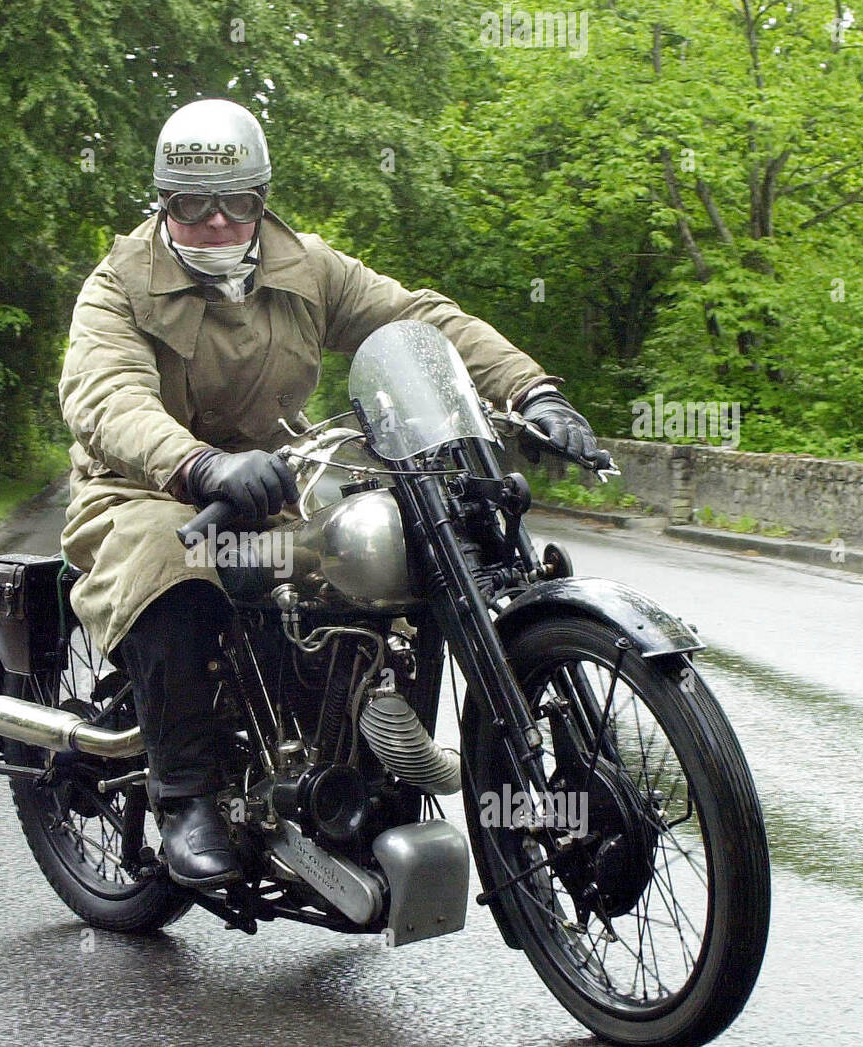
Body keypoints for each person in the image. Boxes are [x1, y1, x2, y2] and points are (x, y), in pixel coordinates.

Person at [58, 99, 608, 890]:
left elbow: (419, 318)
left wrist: (532, 390)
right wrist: (199, 465)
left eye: (236, 202)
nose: (215, 221)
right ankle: (186, 798)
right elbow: (107, 396)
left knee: (372, 555)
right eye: (192, 204)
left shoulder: (309, 268)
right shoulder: (119, 286)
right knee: (171, 564)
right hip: (146, 488)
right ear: (163, 202)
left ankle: (344, 762)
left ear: (261, 199)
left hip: (279, 487)